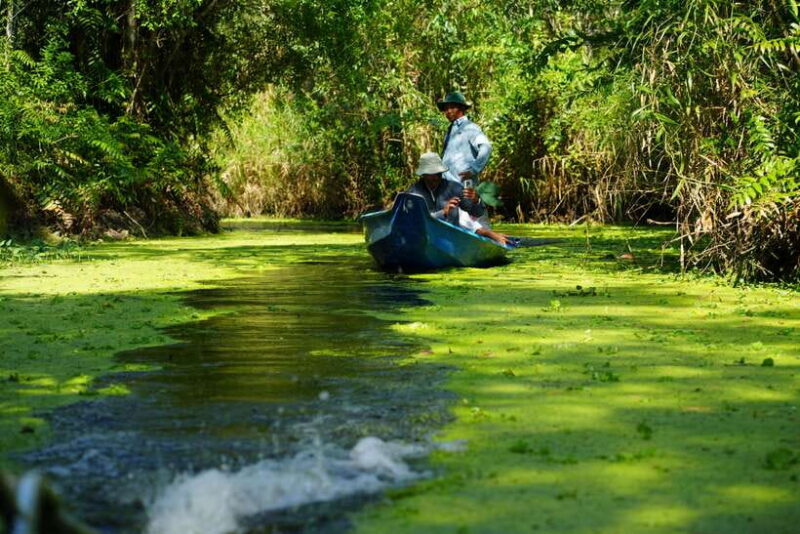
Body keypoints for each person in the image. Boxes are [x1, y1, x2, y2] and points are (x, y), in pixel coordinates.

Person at [408, 152, 510, 245]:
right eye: (431, 174)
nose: (436, 178)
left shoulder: (454, 188)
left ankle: (490, 235)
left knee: (463, 216)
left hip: (451, 239)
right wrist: (443, 212)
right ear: (423, 174)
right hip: (424, 238)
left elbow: (476, 213)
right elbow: (415, 222)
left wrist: (476, 201)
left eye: (438, 173)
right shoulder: (413, 192)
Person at [437, 91, 492, 190]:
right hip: (447, 186)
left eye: (452, 107)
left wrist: (473, 169)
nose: (448, 111)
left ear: (461, 108)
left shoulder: (469, 127)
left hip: (463, 186)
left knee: (467, 205)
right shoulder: (450, 130)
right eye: (446, 108)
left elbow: (486, 147)